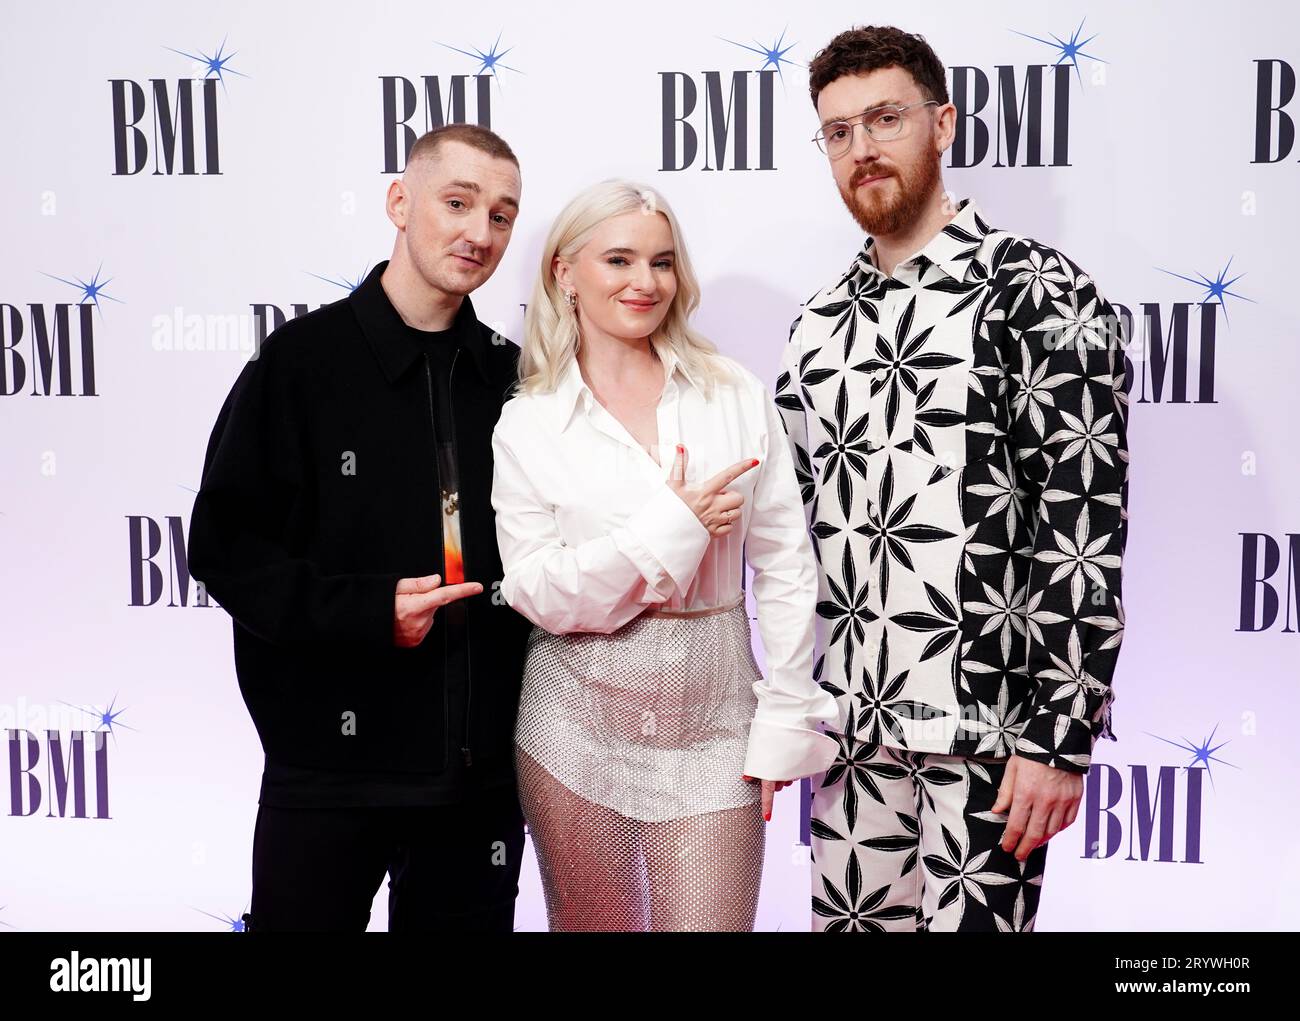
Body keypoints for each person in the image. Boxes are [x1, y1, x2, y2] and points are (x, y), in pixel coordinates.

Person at [779, 25, 1130, 931]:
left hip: (989, 740)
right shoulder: (817, 325)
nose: (863, 149)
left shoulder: (1037, 290)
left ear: (943, 125)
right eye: (839, 131)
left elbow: (1082, 523)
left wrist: (1060, 737)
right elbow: (786, 537)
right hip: (850, 738)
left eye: (886, 119)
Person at [187, 123, 533, 931]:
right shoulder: (299, 363)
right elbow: (224, 547)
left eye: (502, 215)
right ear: (399, 201)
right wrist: (368, 611)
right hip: (327, 776)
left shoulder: (512, 375)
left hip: (477, 786)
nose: (479, 233)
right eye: (457, 202)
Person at [490, 179, 841, 931]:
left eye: (661, 261)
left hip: (717, 723)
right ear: (564, 272)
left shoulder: (733, 394)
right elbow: (539, 591)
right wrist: (673, 530)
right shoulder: (529, 422)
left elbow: (783, 568)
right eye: (618, 259)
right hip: (571, 725)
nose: (644, 282)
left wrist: (785, 718)